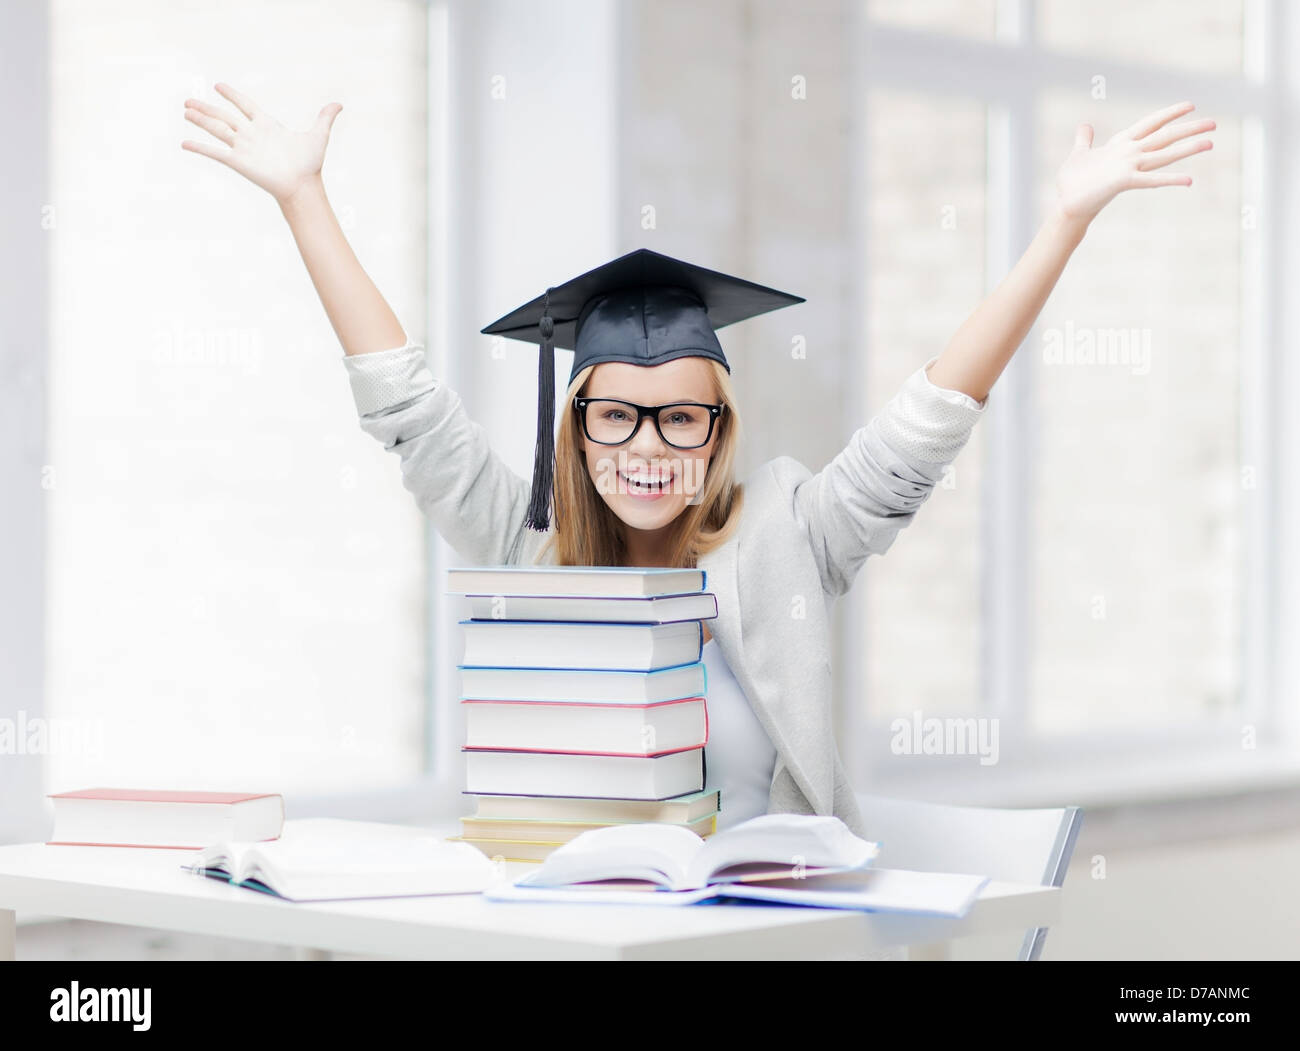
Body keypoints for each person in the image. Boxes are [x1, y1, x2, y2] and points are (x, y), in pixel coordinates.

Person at [182, 84, 1214, 843]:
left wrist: (1062, 223)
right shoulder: (524, 542)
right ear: (575, 429)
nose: (645, 449)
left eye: (681, 420)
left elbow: (930, 417)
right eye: (616, 418)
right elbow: (406, 406)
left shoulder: (790, 534)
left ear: (719, 432)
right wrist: (301, 199)